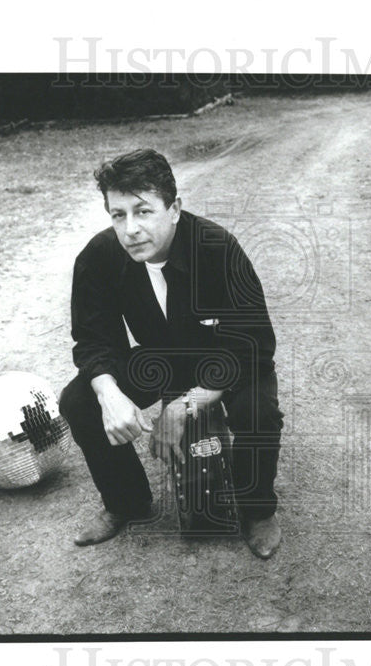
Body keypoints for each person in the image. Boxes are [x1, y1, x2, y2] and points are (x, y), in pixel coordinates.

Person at [59, 148, 284, 559]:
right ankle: (126, 502)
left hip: (226, 362)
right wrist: (111, 396)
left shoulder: (217, 248)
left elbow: (253, 348)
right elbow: (94, 340)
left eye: (143, 211)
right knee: (79, 400)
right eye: (118, 214)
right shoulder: (99, 257)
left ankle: (258, 509)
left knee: (258, 410)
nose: (130, 229)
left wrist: (183, 407)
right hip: (159, 358)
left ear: (174, 208)